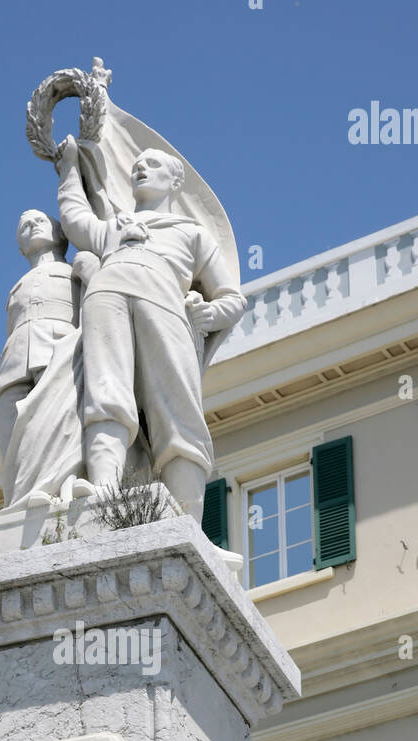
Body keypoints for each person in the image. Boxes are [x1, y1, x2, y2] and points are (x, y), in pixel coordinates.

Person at [56, 136, 246, 522]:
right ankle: (104, 490)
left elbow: (232, 298)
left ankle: (188, 519)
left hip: (163, 301)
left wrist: (209, 314)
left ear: (176, 182)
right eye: (137, 164)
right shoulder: (114, 227)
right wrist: (69, 169)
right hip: (107, 292)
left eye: (154, 164)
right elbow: (75, 220)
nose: (141, 168)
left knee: (178, 410)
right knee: (105, 394)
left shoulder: (191, 233)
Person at [0, 210, 81, 503]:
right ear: (19, 246)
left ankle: (58, 487)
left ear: (59, 234)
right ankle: (17, 501)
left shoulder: (75, 273)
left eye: (38, 221)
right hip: (13, 365)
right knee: (11, 430)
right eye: (23, 226)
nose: (30, 226)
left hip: (58, 348)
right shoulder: (15, 287)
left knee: (57, 419)